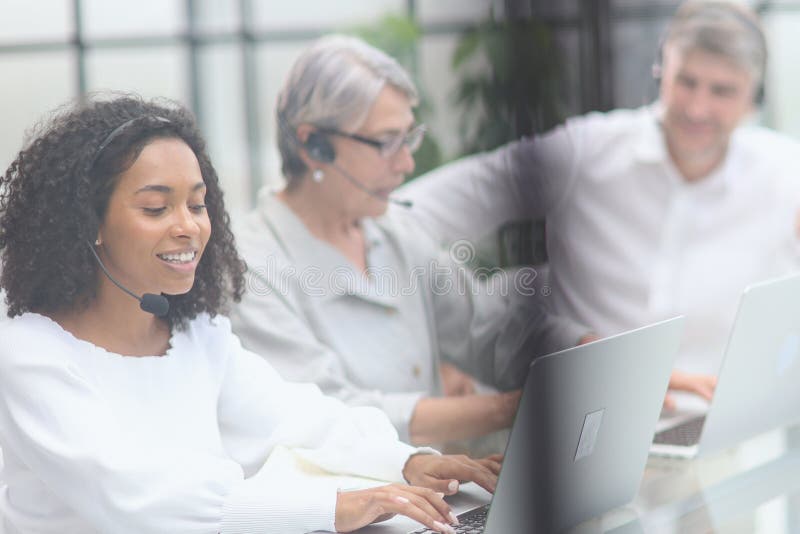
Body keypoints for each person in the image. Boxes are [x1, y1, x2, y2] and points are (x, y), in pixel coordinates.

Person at [0, 95, 502, 534]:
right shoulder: (30, 355)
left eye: (197, 205)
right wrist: (331, 507)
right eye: (156, 209)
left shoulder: (197, 338)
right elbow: (137, 497)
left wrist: (405, 461)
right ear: (91, 224)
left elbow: (298, 417)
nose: (188, 227)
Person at [401, 1, 800, 410]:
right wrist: (438, 347)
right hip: (586, 420)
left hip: (719, 432)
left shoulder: (787, 175)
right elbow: (413, 212)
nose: (697, 108)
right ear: (660, 70)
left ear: (755, 96)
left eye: (722, 91)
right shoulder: (587, 152)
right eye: (686, 81)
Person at [230, 35, 590, 449]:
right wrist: (509, 408)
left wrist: (585, 350)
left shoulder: (394, 229)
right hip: (355, 504)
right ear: (313, 145)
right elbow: (328, 413)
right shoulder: (251, 265)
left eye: (408, 138)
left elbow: (487, 327)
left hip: (442, 493)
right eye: (386, 143)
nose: (406, 163)